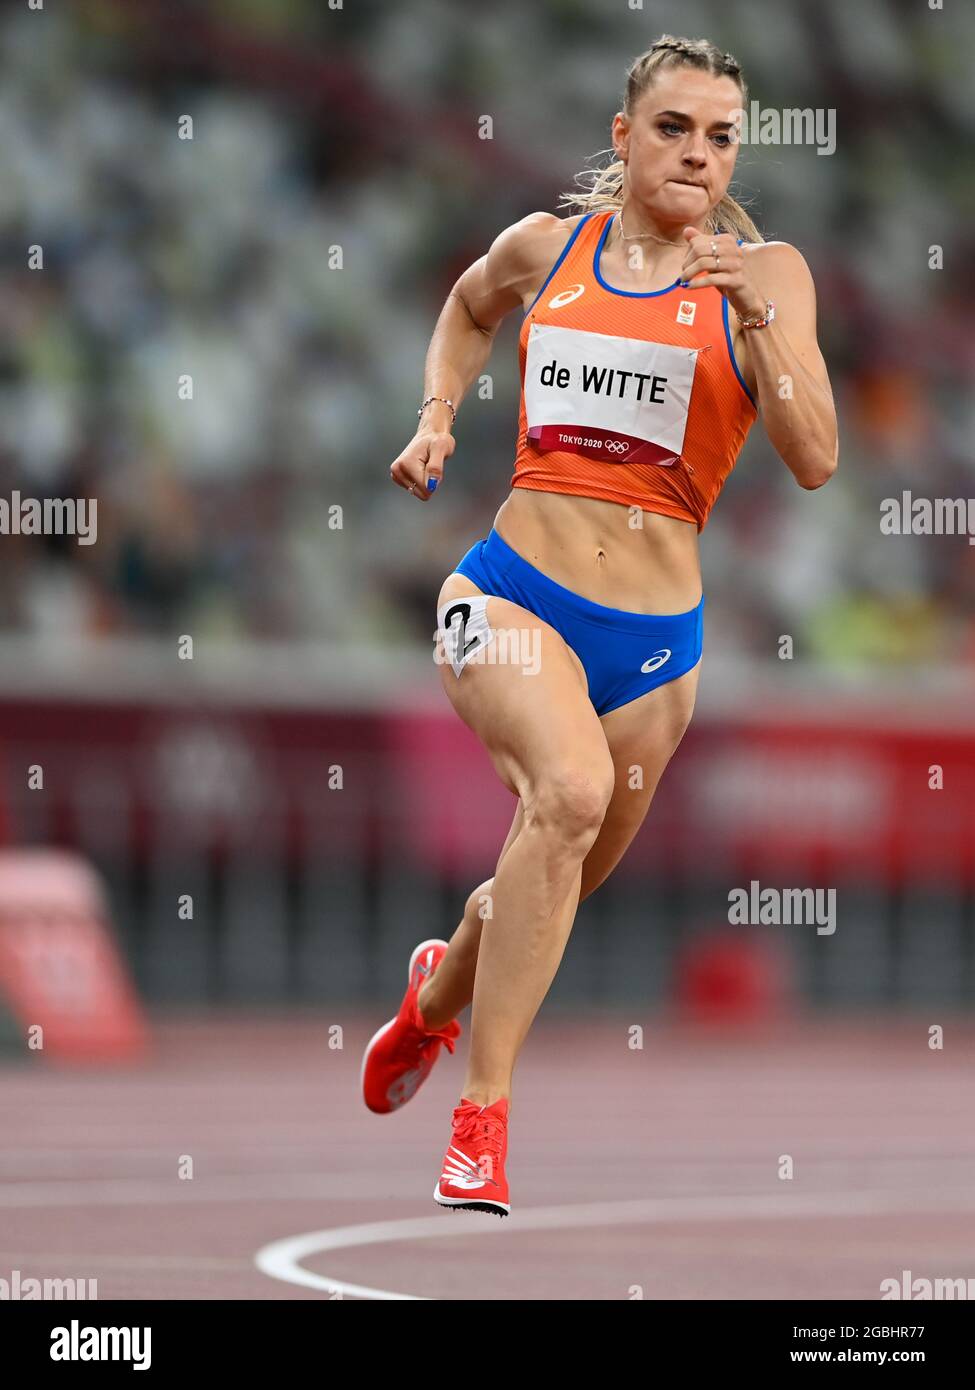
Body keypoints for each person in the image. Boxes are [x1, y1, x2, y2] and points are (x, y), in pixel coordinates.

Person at [361, 35, 838, 1217]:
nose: (699, 152)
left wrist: (761, 324)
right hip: (508, 596)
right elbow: (470, 307)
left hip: (655, 652)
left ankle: (432, 998)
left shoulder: (768, 273)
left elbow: (818, 457)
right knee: (566, 795)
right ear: (624, 138)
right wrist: (436, 419)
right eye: (675, 127)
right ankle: (483, 1118)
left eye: (722, 135)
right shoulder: (551, 246)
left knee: (548, 875)